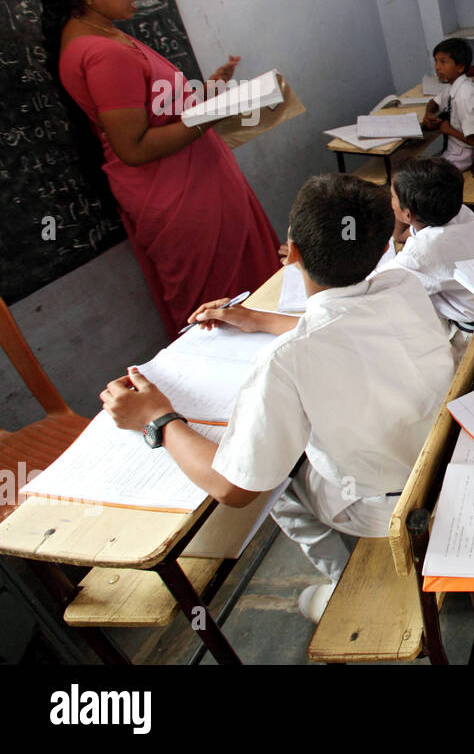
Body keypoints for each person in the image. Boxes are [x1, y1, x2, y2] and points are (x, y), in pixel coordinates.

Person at [101, 174, 454, 623]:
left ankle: (350, 583)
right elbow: (345, 325)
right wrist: (258, 320)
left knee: (275, 480)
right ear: (385, 243)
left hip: (388, 507)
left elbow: (233, 488)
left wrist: (157, 419)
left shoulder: (285, 363)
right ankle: (356, 577)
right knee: (286, 449)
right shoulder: (402, 286)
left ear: (293, 253)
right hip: (439, 467)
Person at [33, 0, 280, 335]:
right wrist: (216, 112)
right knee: (221, 313)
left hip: (197, 182)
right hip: (181, 198)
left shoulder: (107, 36)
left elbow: (157, 113)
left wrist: (209, 95)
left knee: (249, 295)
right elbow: (133, 147)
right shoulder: (101, 52)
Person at [378, 157, 474, 358]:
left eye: (391, 197)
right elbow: (401, 236)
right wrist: (398, 208)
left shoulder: (426, 250)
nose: (388, 201)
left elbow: (377, 283)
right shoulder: (458, 211)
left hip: (471, 335)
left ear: (408, 214)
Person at [423, 37, 474, 171]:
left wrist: (448, 130)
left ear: (460, 67)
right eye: (436, 61)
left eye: (443, 62)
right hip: (453, 151)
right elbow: (434, 101)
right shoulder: (456, 86)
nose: (437, 67)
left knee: (412, 174)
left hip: (462, 157)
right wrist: (428, 114)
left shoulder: (464, 96)